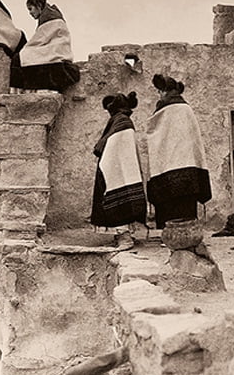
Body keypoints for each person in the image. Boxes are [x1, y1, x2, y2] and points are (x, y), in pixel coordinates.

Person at [145, 73, 212, 229]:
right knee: (186, 206)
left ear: (165, 92)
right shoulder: (187, 109)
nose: (159, 95)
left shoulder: (163, 111)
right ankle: (189, 233)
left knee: (168, 204)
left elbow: (155, 135)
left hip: (167, 170)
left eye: (160, 92)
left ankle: (168, 235)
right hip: (189, 168)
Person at [90, 90, 147, 249]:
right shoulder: (123, 121)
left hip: (117, 169)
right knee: (124, 197)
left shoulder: (120, 122)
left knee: (117, 198)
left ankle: (125, 237)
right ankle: (122, 234)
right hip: (124, 169)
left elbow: (109, 145)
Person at [9, 0, 80, 92]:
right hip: (58, 53)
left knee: (19, 58)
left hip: (56, 54)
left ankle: (17, 92)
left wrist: (24, 51)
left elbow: (38, 41)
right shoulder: (50, 14)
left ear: (38, 6)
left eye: (30, 9)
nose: (30, 13)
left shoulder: (49, 17)